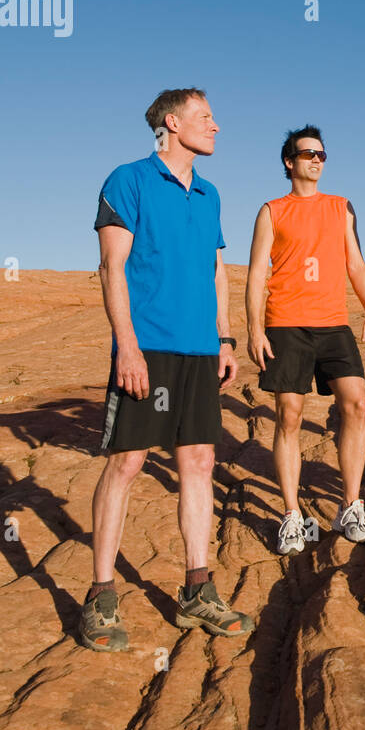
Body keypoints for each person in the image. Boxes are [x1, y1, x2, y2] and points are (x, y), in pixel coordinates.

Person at [81, 88, 254, 652]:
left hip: (201, 351)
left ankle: (197, 591)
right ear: (173, 123)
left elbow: (217, 271)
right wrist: (126, 347)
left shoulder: (209, 193)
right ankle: (101, 595)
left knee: (199, 460)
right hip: (148, 348)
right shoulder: (127, 180)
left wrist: (225, 337)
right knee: (129, 461)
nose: (217, 126)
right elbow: (112, 267)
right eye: (207, 118)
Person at [246, 126, 365, 553]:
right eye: (308, 154)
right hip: (286, 322)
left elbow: (355, 263)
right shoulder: (271, 210)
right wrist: (253, 328)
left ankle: (351, 505)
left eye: (322, 154)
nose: (317, 160)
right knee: (289, 415)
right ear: (290, 161)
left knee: (356, 403)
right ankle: (291, 516)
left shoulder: (341, 207)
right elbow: (254, 275)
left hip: (333, 322)